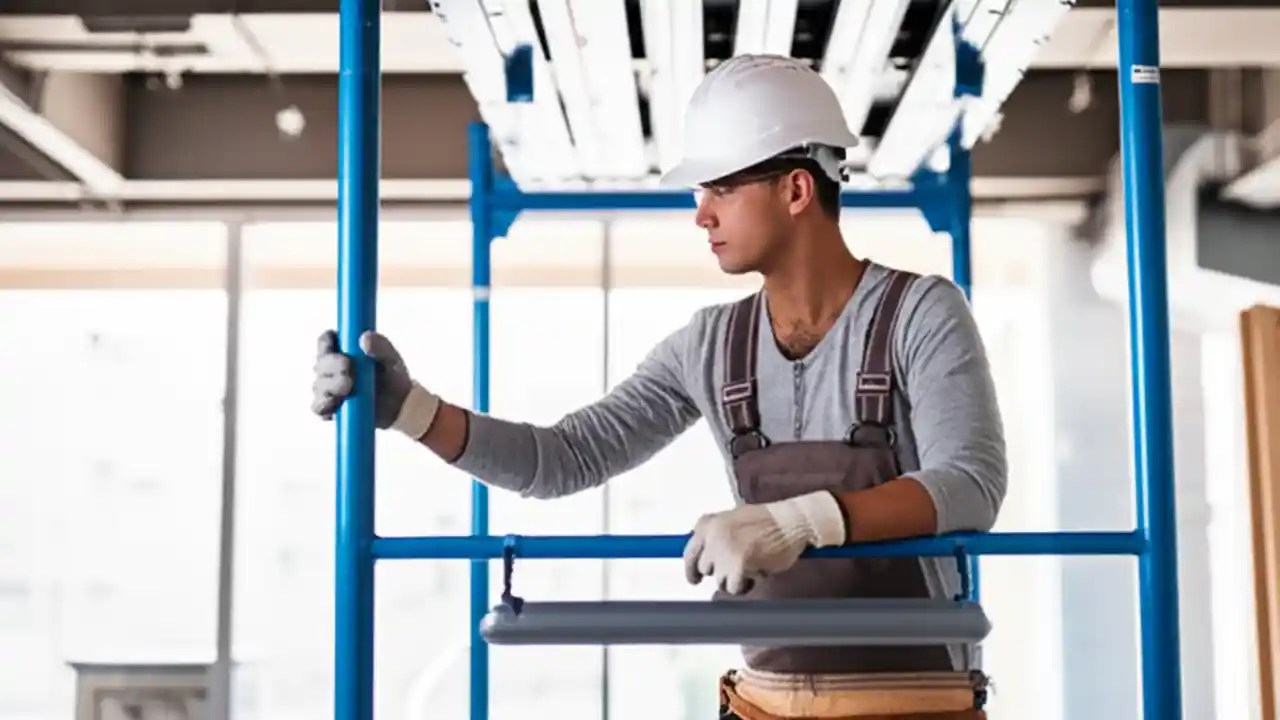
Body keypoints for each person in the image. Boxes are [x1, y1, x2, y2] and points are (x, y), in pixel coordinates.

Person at [312, 54, 1005, 719]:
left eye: (722, 188)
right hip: (761, 702)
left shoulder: (921, 314)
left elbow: (971, 484)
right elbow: (563, 459)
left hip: (912, 703)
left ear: (796, 189)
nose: (701, 214)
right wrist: (411, 410)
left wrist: (803, 523)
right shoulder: (711, 347)